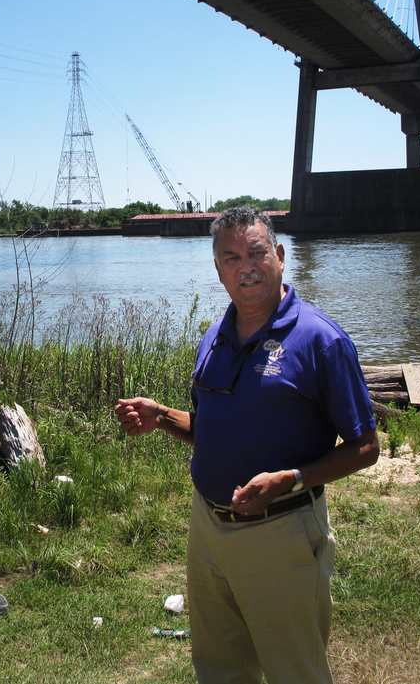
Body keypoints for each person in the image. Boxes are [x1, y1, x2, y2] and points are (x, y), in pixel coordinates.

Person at [115, 206, 379, 684]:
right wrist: (163, 417)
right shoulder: (216, 335)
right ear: (218, 269)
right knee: (219, 668)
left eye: (257, 253)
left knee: (296, 672)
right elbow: (213, 427)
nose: (246, 267)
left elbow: (366, 446)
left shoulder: (320, 340)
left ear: (280, 256)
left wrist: (290, 479)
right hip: (207, 529)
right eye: (231, 257)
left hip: (281, 531)